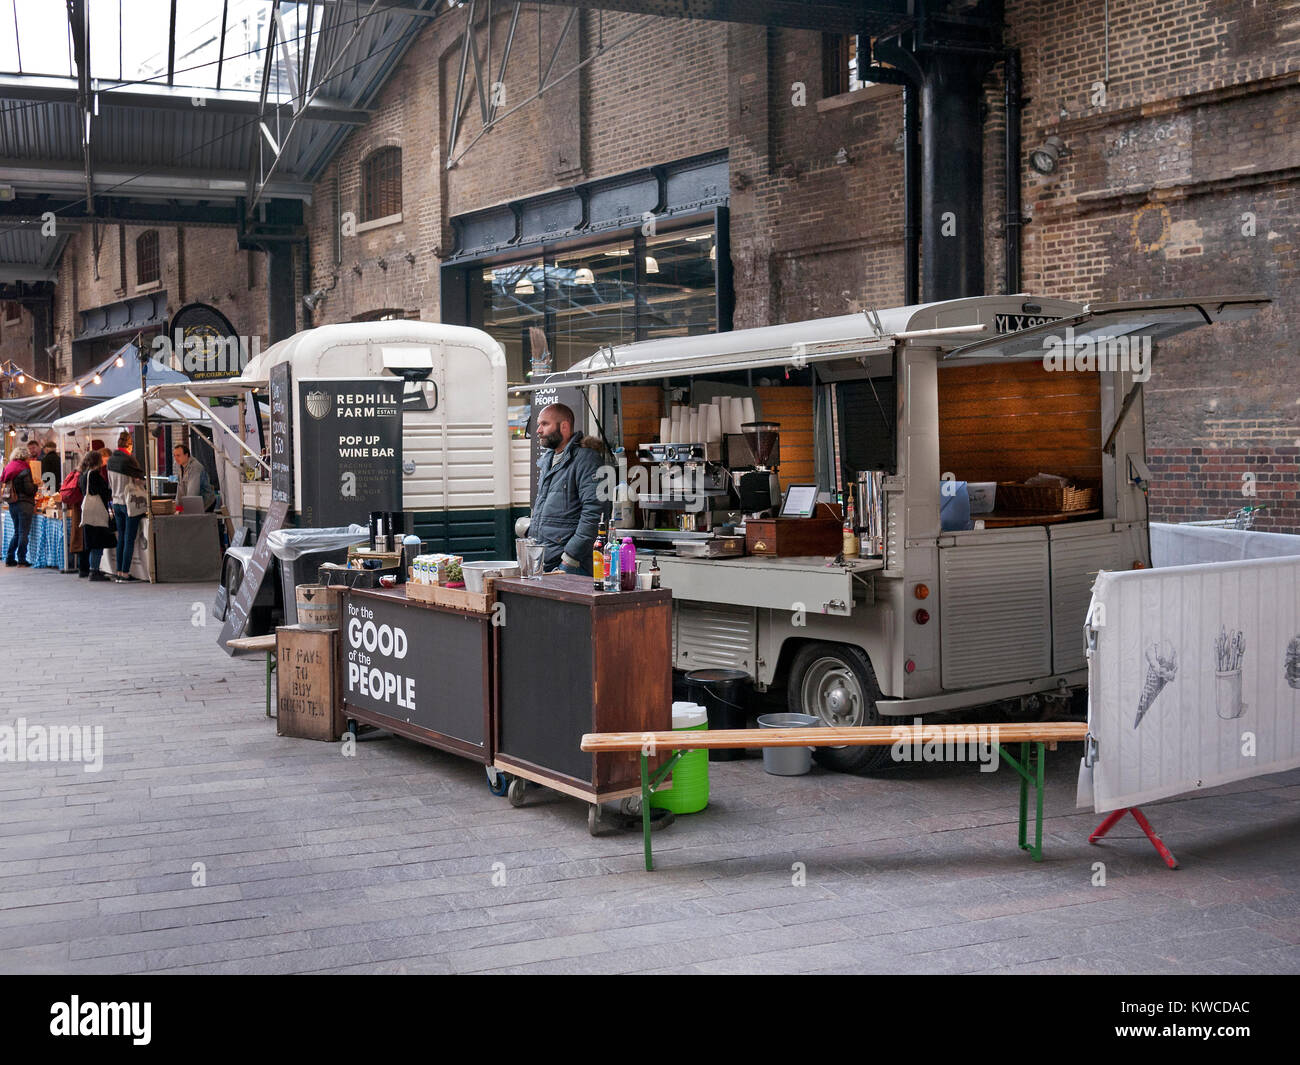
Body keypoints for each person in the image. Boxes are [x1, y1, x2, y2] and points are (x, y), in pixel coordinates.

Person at [528, 403, 605, 575]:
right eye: (538, 424)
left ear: (564, 426)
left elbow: (595, 512)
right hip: (545, 561)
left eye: (545, 424)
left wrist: (570, 558)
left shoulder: (587, 460)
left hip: (572, 565)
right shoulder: (548, 460)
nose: (538, 430)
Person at [106, 430, 148, 583]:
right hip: (129, 503)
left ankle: (118, 572)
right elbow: (140, 480)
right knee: (130, 539)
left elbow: (110, 483)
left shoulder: (110, 461)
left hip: (116, 503)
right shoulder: (129, 461)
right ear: (129, 445)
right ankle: (125, 573)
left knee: (121, 538)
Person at [78, 449, 116, 582]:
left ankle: (91, 569)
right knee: (97, 543)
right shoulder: (94, 475)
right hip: (96, 513)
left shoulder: (83, 475)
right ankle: (94, 571)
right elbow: (101, 491)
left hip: (88, 511)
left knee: (92, 543)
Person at [2, 445, 37, 567]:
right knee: (23, 533)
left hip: (12, 504)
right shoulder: (24, 469)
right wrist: (36, 486)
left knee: (17, 532)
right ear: (24, 457)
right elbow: (29, 489)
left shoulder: (9, 467)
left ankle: (9, 558)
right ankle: (22, 559)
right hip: (24, 504)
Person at [173, 443, 217, 511]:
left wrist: (185, 509)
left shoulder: (195, 467)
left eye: (178, 455)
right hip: (194, 502)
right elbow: (180, 489)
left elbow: (193, 493)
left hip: (206, 502)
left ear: (186, 455)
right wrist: (177, 507)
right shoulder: (180, 466)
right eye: (174, 456)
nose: (176, 458)